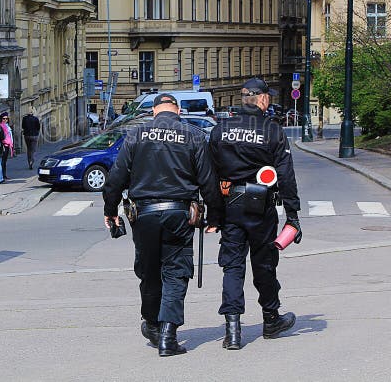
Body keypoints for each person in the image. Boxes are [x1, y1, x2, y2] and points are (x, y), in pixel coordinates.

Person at [102, 93, 224, 357]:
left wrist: (110, 210)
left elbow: (116, 177)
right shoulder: (192, 135)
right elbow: (208, 180)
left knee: (149, 271)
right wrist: (214, 217)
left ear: (154, 111)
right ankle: (168, 335)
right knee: (176, 272)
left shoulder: (136, 134)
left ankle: (152, 324)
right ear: (177, 111)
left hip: (143, 215)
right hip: (179, 214)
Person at [207, 77, 301, 350]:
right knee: (264, 264)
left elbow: (208, 175)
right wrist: (293, 216)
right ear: (262, 99)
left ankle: (233, 330)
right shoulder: (272, 130)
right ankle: (271, 319)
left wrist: (214, 214)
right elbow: (285, 175)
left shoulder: (220, 129)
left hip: (231, 205)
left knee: (232, 266)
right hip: (261, 208)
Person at [0, 112, 14, 180]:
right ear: (1, 119)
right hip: (4, 145)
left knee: (4, 161)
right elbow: (1, 136)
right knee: (3, 161)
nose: (5, 120)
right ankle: (2, 175)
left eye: (6, 119)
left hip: (8, 145)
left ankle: (4, 175)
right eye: (3, 119)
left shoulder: (7, 125)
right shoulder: (1, 126)